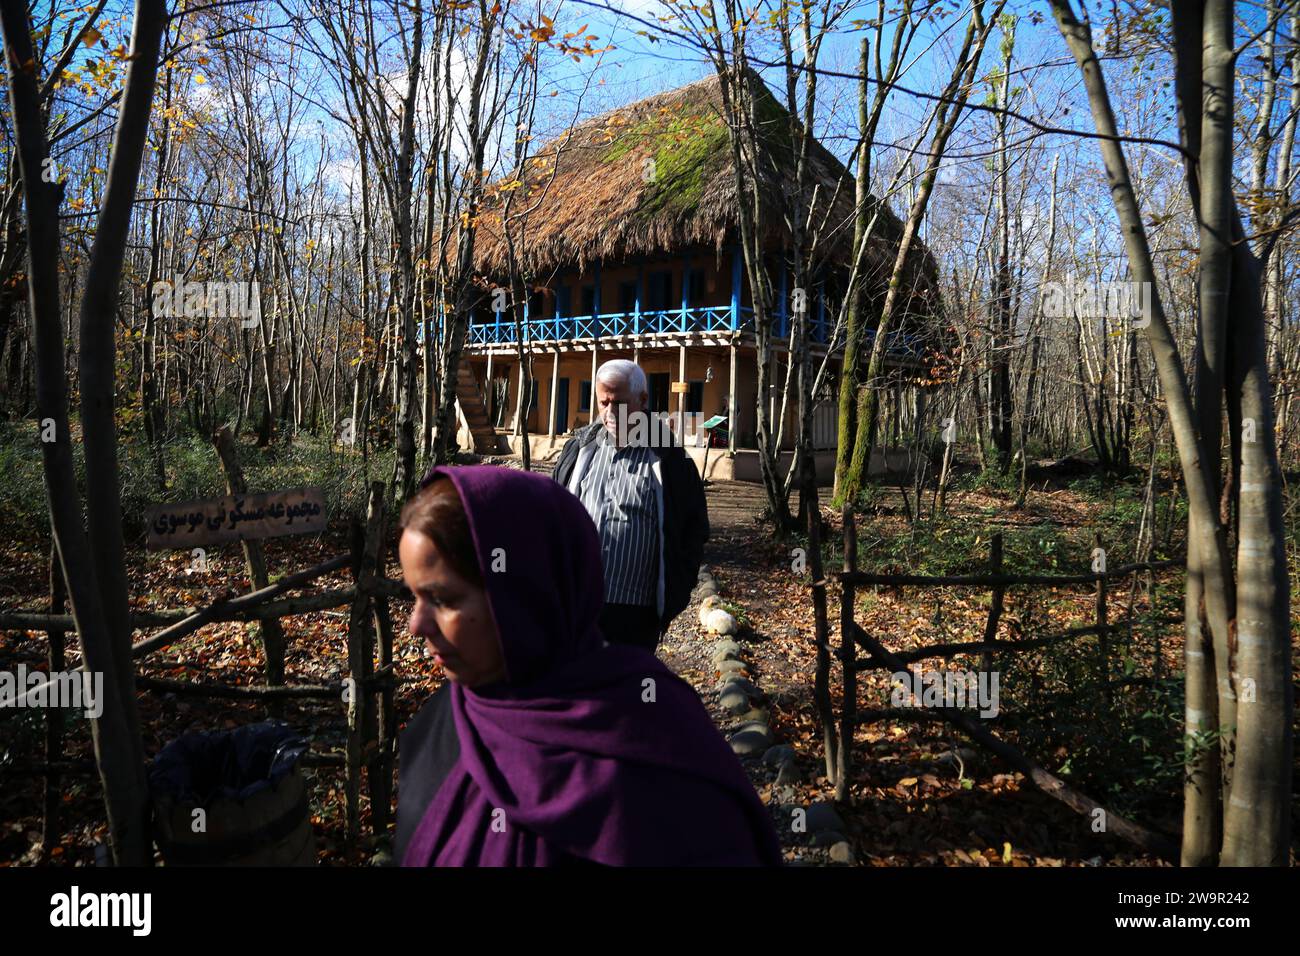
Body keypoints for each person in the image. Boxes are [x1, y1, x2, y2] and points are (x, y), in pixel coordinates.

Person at [394, 464, 781, 867]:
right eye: (414, 597)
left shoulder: (655, 746)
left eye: (443, 599)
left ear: (526, 592)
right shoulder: (434, 729)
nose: (415, 626)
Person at [553, 359, 708, 652]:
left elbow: (694, 530)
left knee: (627, 693)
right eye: (603, 403)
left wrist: (674, 596)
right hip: (578, 604)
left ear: (643, 400)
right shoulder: (578, 450)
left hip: (635, 616)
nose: (610, 413)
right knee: (577, 688)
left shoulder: (670, 460)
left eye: (619, 403)